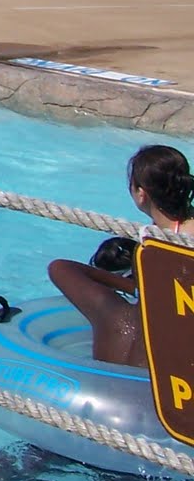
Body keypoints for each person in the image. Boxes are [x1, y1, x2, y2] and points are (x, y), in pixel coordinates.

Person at [48, 145, 193, 366]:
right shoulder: (168, 239)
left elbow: (59, 267)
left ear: (141, 193)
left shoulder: (113, 316)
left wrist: (133, 287)